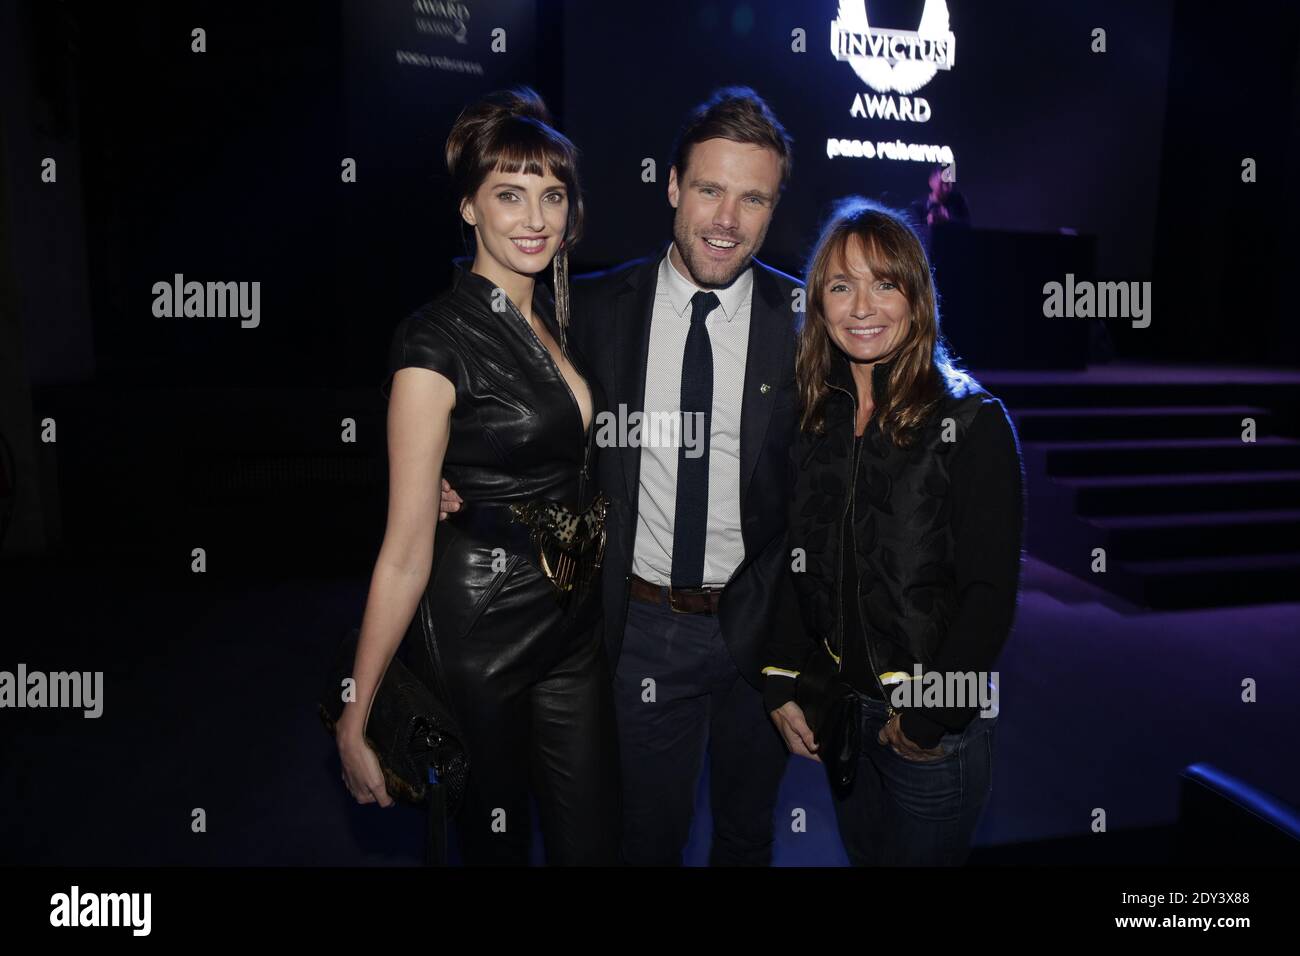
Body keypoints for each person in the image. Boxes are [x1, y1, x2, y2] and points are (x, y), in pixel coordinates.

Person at [445, 87, 804, 865]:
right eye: (709, 189)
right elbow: (493, 387)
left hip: (765, 628)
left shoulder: (806, 326)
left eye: (753, 199)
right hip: (639, 629)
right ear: (673, 186)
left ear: (774, 209)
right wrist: (451, 473)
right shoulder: (593, 310)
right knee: (645, 839)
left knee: (748, 835)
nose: (726, 220)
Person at [335, 87, 619, 866]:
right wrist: (356, 709)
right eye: (509, 195)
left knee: (594, 842)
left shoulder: (558, 321)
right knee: (493, 852)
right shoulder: (432, 342)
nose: (535, 218)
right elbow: (403, 545)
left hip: (574, 625)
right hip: (481, 627)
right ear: (469, 209)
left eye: (552, 196)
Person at [763, 197, 1024, 866]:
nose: (862, 307)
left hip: (932, 736)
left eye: (885, 283)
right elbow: (797, 561)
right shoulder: (814, 415)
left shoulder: (971, 422)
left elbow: (989, 593)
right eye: (841, 285)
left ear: (916, 297)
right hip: (843, 716)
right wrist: (784, 677)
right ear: (818, 302)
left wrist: (931, 715)